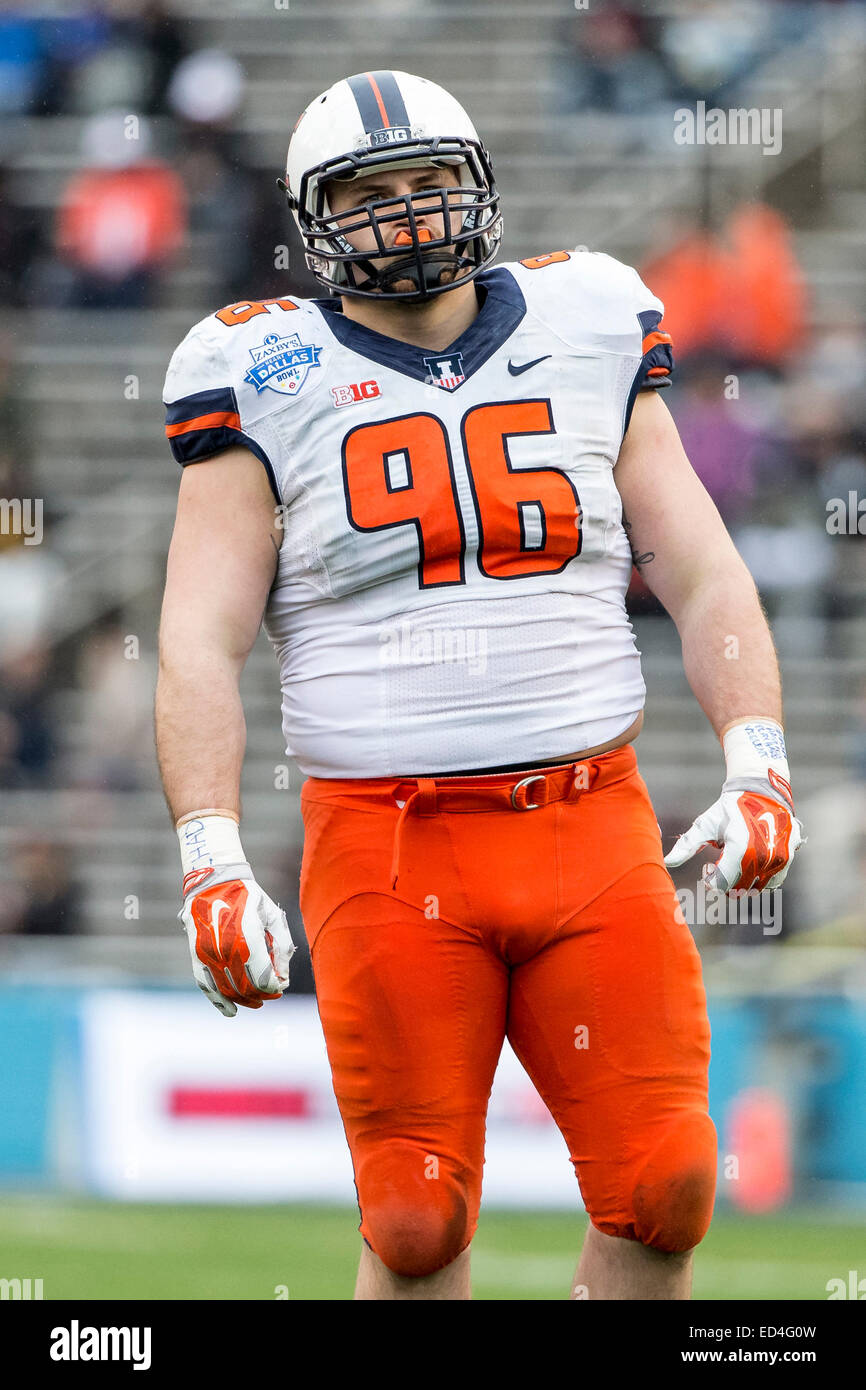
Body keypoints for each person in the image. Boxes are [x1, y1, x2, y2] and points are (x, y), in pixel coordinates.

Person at [155, 70, 804, 1301]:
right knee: (413, 1219)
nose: (404, 213)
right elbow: (197, 638)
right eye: (370, 192)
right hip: (386, 844)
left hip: (588, 822)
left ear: (478, 188)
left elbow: (706, 575)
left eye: (426, 183)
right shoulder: (259, 368)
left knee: (664, 1184)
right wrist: (209, 852)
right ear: (311, 221)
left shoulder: (591, 315)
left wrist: (756, 757)